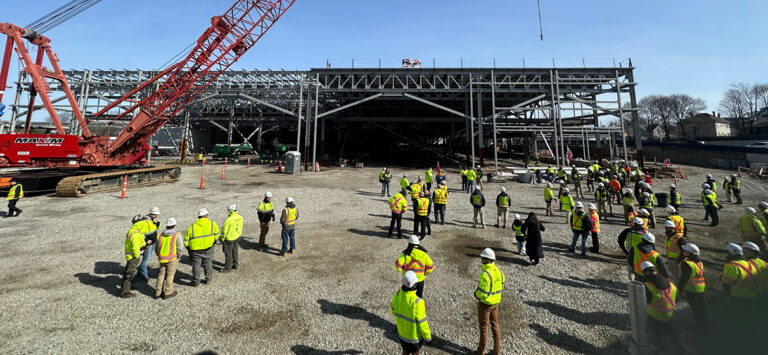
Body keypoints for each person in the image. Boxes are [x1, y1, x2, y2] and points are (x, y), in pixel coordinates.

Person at [640, 261, 680, 352]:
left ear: (646, 273)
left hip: (656, 316)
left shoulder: (648, 286)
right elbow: (677, 298)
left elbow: (646, 301)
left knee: (657, 336)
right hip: (669, 314)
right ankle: (680, 348)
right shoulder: (671, 284)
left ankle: (660, 349)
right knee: (671, 330)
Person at [390, 271, 432, 355]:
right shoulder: (418, 302)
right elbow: (422, 323)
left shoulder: (397, 295)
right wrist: (428, 338)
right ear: (415, 284)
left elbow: (393, 311)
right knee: (416, 353)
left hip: (402, 335)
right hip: (415, 339)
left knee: (405, 352)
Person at [474, 248, 505, 355]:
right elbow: (502, 284)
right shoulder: (499, 271)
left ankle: (481, 351)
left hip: (485, 305)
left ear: (487, 259)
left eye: (483, 258)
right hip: (495, 303)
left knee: (484, 327)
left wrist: (476, 295)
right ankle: (497, 351)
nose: (481, 260)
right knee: (495, 325)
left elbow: (482, 293)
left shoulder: (485, 275)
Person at [677, 243, 708, 334]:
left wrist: (679, 288)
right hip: (701, 288)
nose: (683, 252)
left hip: (692, 289)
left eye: (684, 251)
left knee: (696, 310)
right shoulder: (699, 262)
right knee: (701, 309)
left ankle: (700, 328)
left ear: (689, 253)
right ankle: (705, 326)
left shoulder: (686, 264)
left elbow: (684, 278)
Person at [185, 208, 220, 286]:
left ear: (199, 216)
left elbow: (186, 241)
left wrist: (188, 247)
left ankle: (196, 281)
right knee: (208, 263)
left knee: (196, 265)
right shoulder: (212, 223)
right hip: (208, 248)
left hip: (195, 250)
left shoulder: (192, 226)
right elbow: (217, 234)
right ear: (206, 215)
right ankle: (208, 279)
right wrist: (213, 241)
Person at [154, 217, 184, 299]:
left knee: (161, 274)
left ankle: (158, 292)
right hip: (172, 259)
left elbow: (156, 248)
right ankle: (168, 292)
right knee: (170, 275)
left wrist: (159, 255)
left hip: (162, 258)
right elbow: (180, 247)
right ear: (174, 225)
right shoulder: (177, 235)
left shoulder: (160, 235)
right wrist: (178, 255)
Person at [121, 215, 151, 298]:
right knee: (129, 273)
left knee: (128, 271)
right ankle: (125, 292)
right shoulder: (136, 233)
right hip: (133, 257)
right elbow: (135, 247)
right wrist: (137, 255)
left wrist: (145, 245)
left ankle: (127, 287)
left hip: (131, 256)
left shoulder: (134, 231)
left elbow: (140, 242)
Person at [137, 207, 160, 282]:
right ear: (151, 214)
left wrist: (157, 223)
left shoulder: (153, 220)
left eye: (157, 214)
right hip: (148, 243)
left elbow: (155, 229)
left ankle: (139, 273)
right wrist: (146, 241)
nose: (156, 216)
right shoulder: (146, 221)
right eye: (155, 214)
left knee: (147, 258)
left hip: (152, 242)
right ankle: (144, 275)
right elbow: (143, 233)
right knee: (146, 259)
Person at [220, 204, 243, 272]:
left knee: (228, 253)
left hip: (229, 239)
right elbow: (240, 227)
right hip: (237, 237)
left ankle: (228, 267)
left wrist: (222, 238)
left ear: (230, 211)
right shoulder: (240, 217)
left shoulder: (228, 220)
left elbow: (224, 230)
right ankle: (235, 265)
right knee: (235, 251)